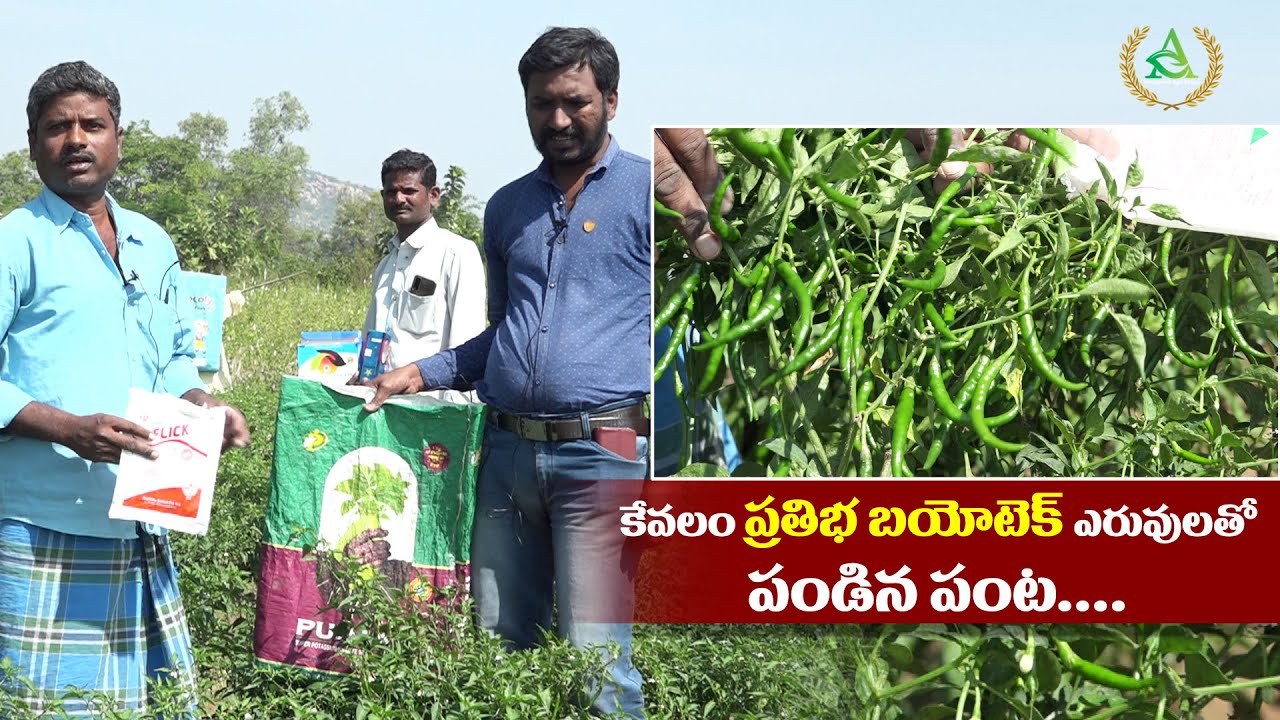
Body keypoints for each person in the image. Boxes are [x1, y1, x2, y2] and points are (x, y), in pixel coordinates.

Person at [363, 27, 650, 717]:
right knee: (500, 644)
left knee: (596, 658)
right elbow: (504, 336)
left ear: (611, 100)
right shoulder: (508, 207)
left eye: (575, 102)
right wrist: (420, 373)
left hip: (602, 454)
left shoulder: (648, 193)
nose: (556, 120)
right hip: (507, 454)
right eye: (540, 105)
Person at [0, 61, 250, 716]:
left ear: (118, 138)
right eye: (57, 128)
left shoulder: (151, 239)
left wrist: (203, 405)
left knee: (137, 703)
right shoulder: (16, 242)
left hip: (140, 510)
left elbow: (170, 359)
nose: (76, 139)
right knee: (38, 703)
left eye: (92, 124)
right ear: (33, 144)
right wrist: (67, 429)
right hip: (40, 521)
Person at [359, 149, 486, 403]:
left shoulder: (456, 253)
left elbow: (467, 347)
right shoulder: (385, 266)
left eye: (409, 191)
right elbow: (371, 340)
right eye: (391, 192)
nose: (399, 199)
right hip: (382, 404)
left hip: (433, 411)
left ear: (433, 196)